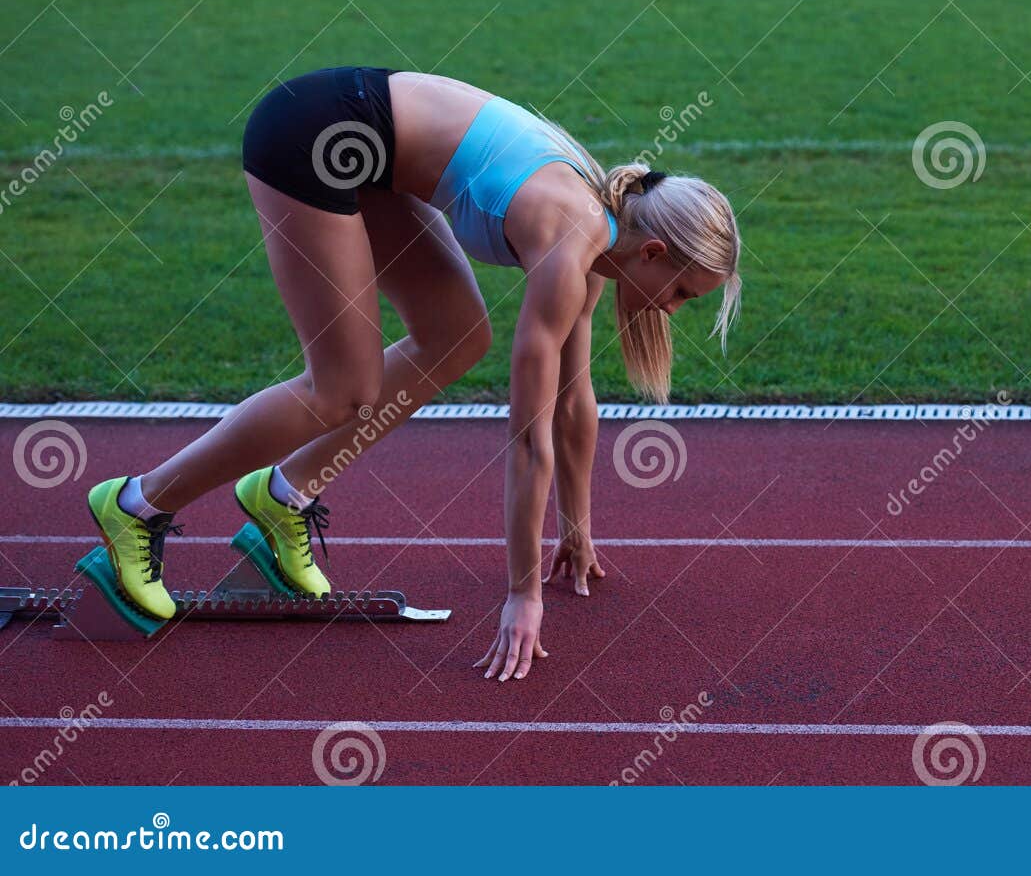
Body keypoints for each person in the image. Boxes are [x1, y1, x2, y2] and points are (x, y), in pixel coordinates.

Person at [80, 66, 741, 681]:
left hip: (368, 154)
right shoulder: (572, 242)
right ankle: (137, 504)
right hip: (313, 133)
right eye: (683, 293)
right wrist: (522, 593)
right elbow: (528, 438)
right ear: (652, 251)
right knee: (341, 390)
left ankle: (285, 495)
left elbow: (572, 402)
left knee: (455, 337)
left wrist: (577, 529)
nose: (673, 310)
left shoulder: (597, 238)